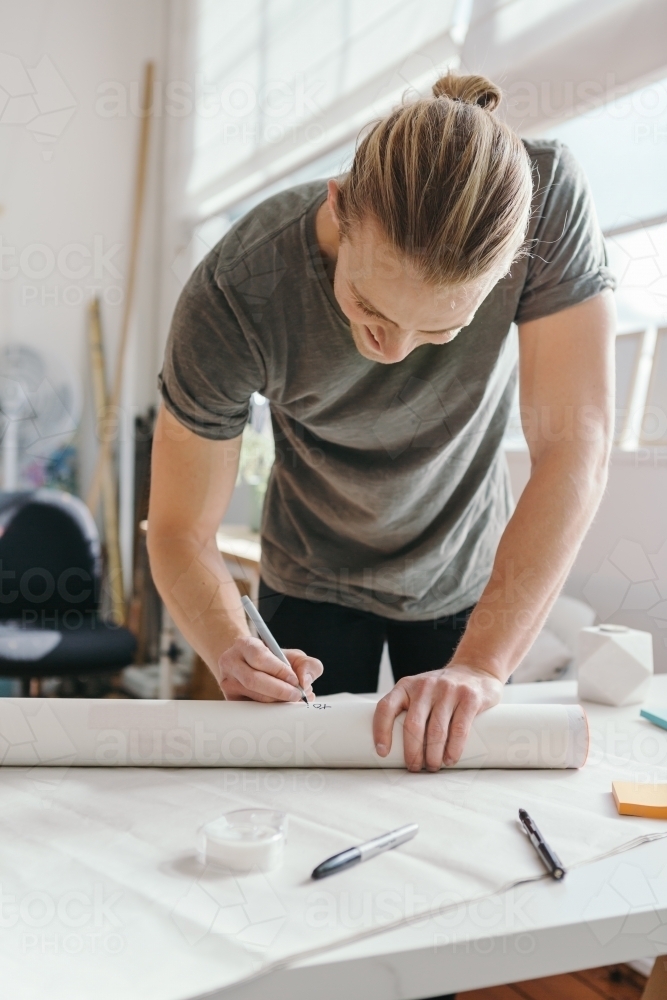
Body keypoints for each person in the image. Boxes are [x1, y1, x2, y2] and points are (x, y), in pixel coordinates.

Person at [148, 72, 615, 772]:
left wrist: (484, 667)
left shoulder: (545, 201)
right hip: (310, 576)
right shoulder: (235, 292)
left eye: (438, 331)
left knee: (454, 795)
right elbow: (181, 530)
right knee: (296, 793)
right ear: (340, 204)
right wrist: (224, 643)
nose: (390, 351)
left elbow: (575, 445)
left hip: (462, 576)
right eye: (369, 306)